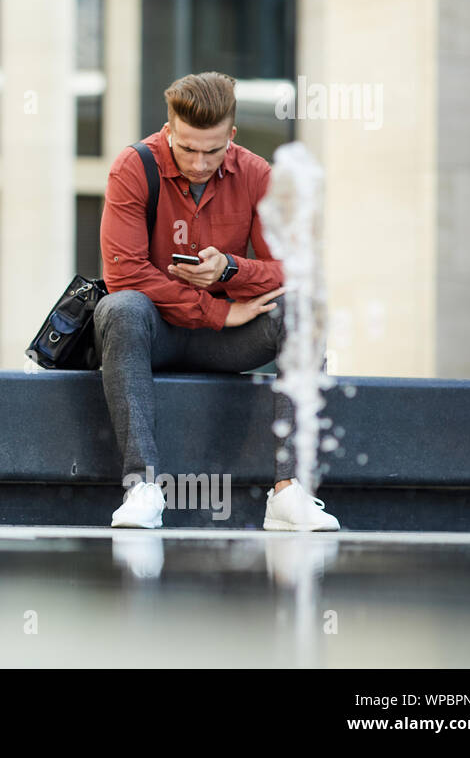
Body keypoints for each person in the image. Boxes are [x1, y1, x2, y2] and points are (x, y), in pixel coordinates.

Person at [96, 71, 339, 532]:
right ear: (169, 132)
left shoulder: (255, 174)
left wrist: (231, 269)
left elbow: (294, 268)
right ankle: (142, 487)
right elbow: (123, 273)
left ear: (231, 136)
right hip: (159, 334)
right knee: (121, 308)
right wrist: (219, 310)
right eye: (187, 148)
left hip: (227, 341)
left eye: (213, 149)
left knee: (303, 310)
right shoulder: (133, 167)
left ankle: (289, 493)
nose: (200, 162)